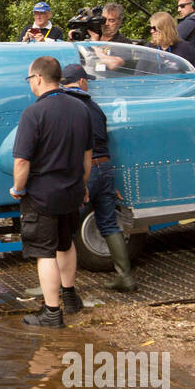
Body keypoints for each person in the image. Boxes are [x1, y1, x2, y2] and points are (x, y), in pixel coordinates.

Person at [11, 57, 94, 327]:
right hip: (71, 191)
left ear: (37, 78)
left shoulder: (33, 114)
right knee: (65, 244)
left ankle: (51, 312)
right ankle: (70, 298)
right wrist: (82, 185)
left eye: (29, 79)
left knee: (44, 252)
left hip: (42, 195)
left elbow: (22, 161)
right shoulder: (81, 109)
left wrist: (18, 188)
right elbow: (87, 155)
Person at [60, 63, 136, 291]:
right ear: (82, 81)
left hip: (85, 170)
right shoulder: (94, 106)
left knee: (61, 225)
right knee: (109, 223)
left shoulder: (66, 107)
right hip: (105, 168)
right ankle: (126, 277)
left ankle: (52, 285)